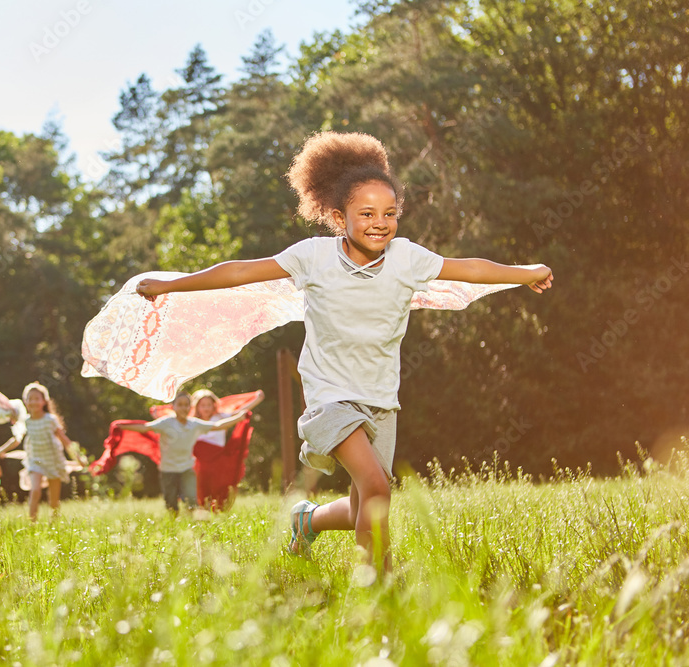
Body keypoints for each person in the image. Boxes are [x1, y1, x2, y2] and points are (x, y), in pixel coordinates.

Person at [135, 131, 553, 568]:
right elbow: (240, 271)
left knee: (363, 507)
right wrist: (171, 284)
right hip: (330, 398)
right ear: (339, 216)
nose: (380, 222)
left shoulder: (407, 258)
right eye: (366, 212)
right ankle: (377, 588)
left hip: (381, 401)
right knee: (377, 489)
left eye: (390, 213)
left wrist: (523, 272)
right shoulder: (314, 257)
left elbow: (467, 268)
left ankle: (307, 521)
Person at [118, 391, 249, 514]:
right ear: (173, 407)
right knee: (171, 503)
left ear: (190, 407)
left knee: (192, 499)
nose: (183, 408)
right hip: (168, 470)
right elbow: (145, 427)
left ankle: (194, 524)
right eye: (179, 405)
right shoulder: (166, 423)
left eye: (186, 405)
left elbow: (218, 426)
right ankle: (173, 522)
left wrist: (239, 417)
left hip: (187, 468)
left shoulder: (194, 424)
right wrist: (121, 425)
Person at [0, 382, 74, 522]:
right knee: (35, 490)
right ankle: (32, 523)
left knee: (54, 499)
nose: (33, 401)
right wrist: (3, 449)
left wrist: (78, 457)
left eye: (36, 398)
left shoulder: (50, 420)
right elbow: (17, 439)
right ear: (25, 402)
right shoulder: (26, 421)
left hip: (53, 460)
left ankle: (54, 522)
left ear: (44, 401)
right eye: (29, 398)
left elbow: (65, 440)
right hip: (35, 460)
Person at [191, 389, 264, 510]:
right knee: (201, 484)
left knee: (218, 484)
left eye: (209, 405)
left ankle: (217, 508)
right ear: (197, 407)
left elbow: (240, 413)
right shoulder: (193, 421)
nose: (206, 408)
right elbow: (175, 421)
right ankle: (202, 509)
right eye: (203, 405)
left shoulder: (220, 417)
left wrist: (257, 399)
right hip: (200, 460)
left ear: (214, 405)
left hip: (217, 458)